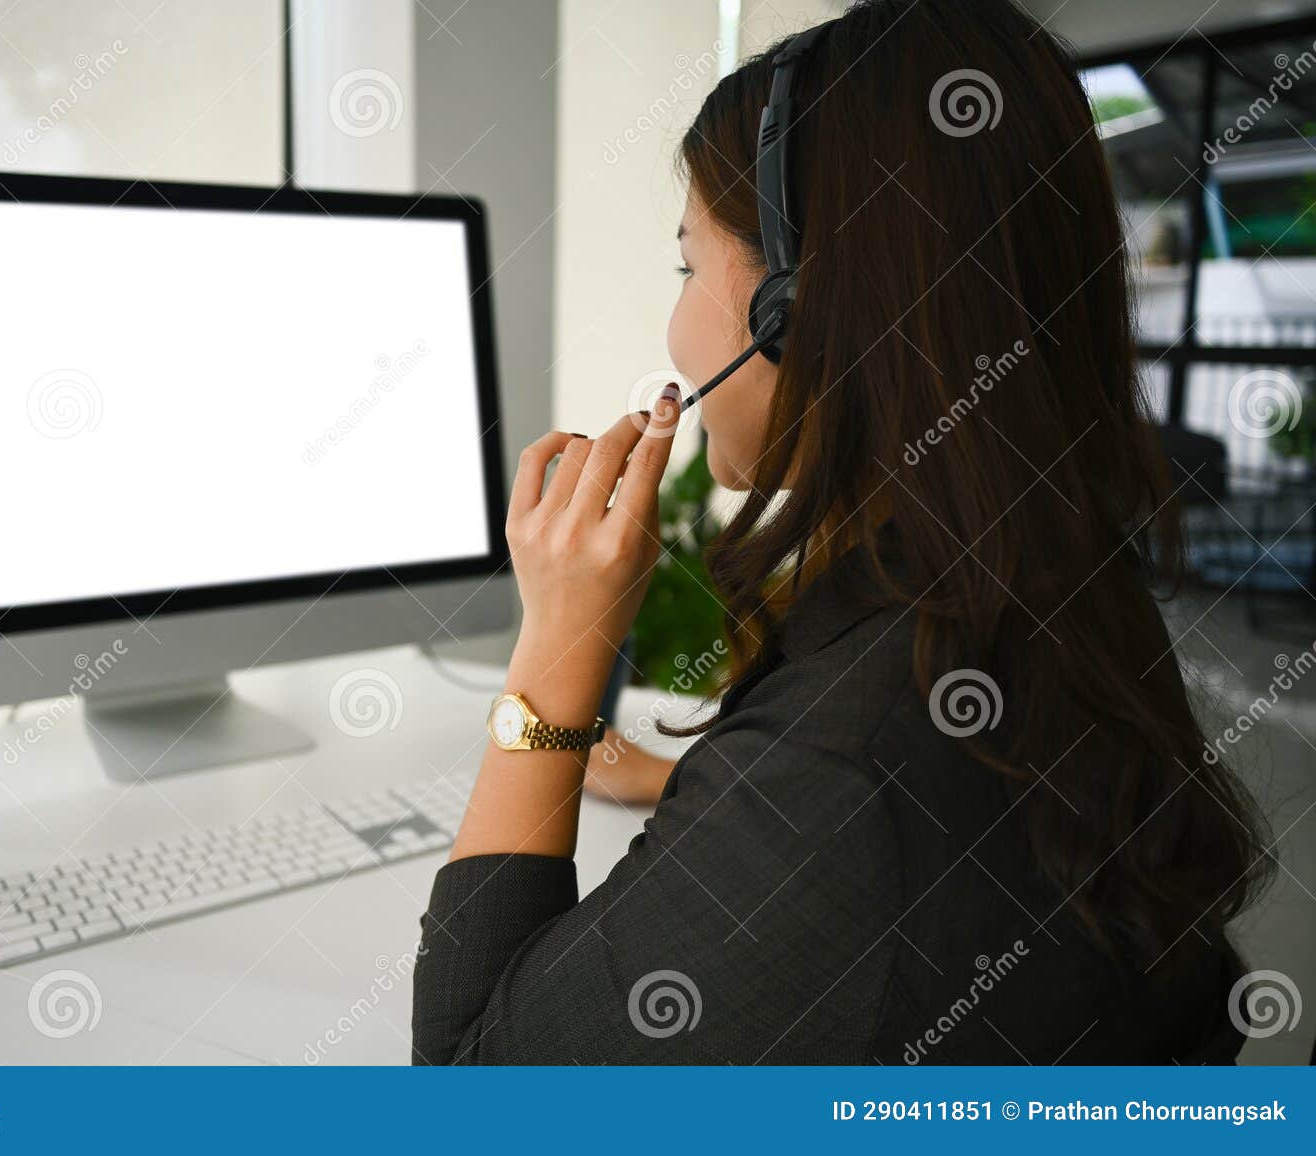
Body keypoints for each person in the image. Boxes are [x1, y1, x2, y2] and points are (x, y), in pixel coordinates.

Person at [411, 0, 1269, 1064]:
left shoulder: (846, 766)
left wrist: (556, 653)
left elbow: (465, 1087)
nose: (674, 326)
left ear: (793, 311)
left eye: (688, 267)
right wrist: (714, 788)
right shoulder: (1057, 587)